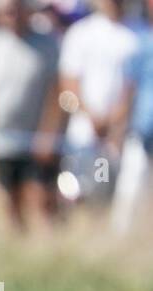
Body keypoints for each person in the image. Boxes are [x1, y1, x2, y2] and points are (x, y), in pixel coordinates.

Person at [0, 0, 63, 229]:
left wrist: (49, 133)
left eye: (14, 10)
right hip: (2, 139)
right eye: (5, 12)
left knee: (39, 197)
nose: (10, 16)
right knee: (7, 199)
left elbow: (57, 93)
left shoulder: (48, 45)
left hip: (35, 139)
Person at [57, 0, 137, 206]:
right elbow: (68, 84)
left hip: (119, 135)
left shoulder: (136, 35)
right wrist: (90, 115)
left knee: (106, 193)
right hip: (83, 133)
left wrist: (116, 118)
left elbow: (134, 86)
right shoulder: (80, 33)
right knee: (76, 192)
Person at [110, 0, 153, 232]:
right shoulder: (142, 43)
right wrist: (117, 128)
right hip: (143, 131)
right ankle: (122, 237)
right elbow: (129, 90)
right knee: (130, 188)